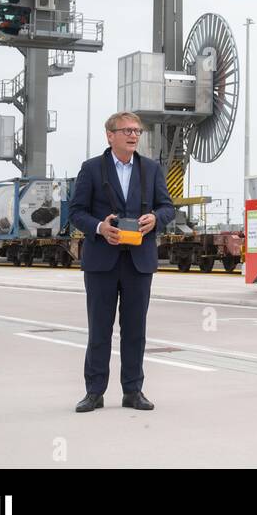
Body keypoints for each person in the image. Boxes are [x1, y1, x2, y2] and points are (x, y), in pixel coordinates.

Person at [68, 111, 176, 413]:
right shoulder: (91, 169)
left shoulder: (151, 169)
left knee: (135, 330)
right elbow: (76, 212)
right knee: (99, 329)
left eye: (137, 131)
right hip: (102, 261)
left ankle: (133, 390)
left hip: (139, 262)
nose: (133, 135)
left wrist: (155, 218)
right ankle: (94, 392)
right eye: (126, 130)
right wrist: (100, 228)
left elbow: (168, 207)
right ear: (110, 135)